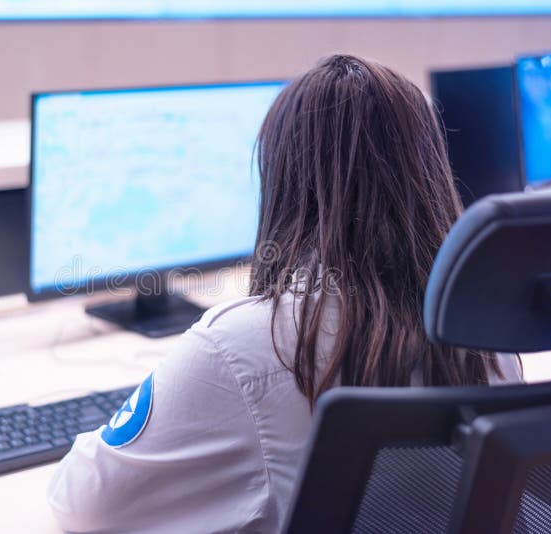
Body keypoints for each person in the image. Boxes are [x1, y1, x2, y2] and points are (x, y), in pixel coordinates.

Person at [47, 54, 523, 533]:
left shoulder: (243, 345)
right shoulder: (486, 327)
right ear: (429, 173)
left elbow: (84, 506)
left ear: (285, 182)